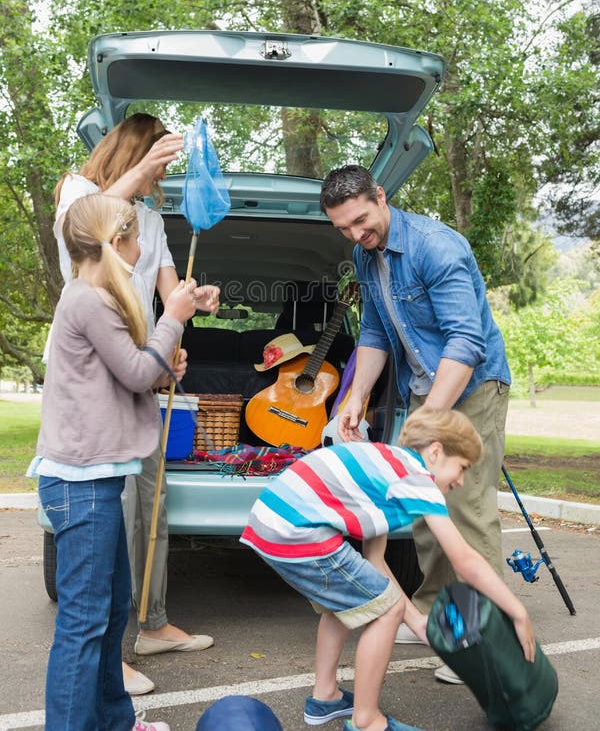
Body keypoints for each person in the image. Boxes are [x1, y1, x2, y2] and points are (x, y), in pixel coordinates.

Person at [319, 164, 511, 684]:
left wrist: (430, 417)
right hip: (427, 389)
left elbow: (466, 341)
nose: (355, 234)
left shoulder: (435, 247)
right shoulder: (365, 255)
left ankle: (481, 638)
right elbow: (375, 331)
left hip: (472, 387)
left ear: (381, 197)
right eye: (343, 228)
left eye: (361, 221)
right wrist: (355, 397)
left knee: (467, 509)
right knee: (423, 505)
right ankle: (432, 611)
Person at [53, 113, 220, 695]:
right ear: (134, 154)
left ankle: (153, 625)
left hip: (144, 369)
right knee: (113, 516)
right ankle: (110, 653)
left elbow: (169, 290)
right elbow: (89, 224)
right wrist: (144, 168)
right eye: (155, 167)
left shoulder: (150, 217)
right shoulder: (80, 192)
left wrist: (194, 301)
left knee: (152, 503)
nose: (159, 181)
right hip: (102, 370)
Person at [240, 406, 535, 731]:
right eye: (462, 467)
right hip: (297, 532)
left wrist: (418, 622)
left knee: (346, 600)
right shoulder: (418, 478)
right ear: (436, 452)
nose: (461, 480)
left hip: (273, 524)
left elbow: (375, 560)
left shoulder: (388, 468)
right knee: (387, 610)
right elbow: (464, 559)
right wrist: (518, 613)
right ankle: (367, 721)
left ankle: (325, 697)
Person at [29, 193, 199, 731]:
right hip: (80, 485)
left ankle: (114, 722)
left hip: (97, 479)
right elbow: (134, 372)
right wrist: (172, 320)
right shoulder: (87, 300)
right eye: (136, 238)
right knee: (83, 623)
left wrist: (165, 364)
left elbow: (132, 374)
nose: (141, 248)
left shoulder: (95, 297)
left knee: (108, 615)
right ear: (116, 242)